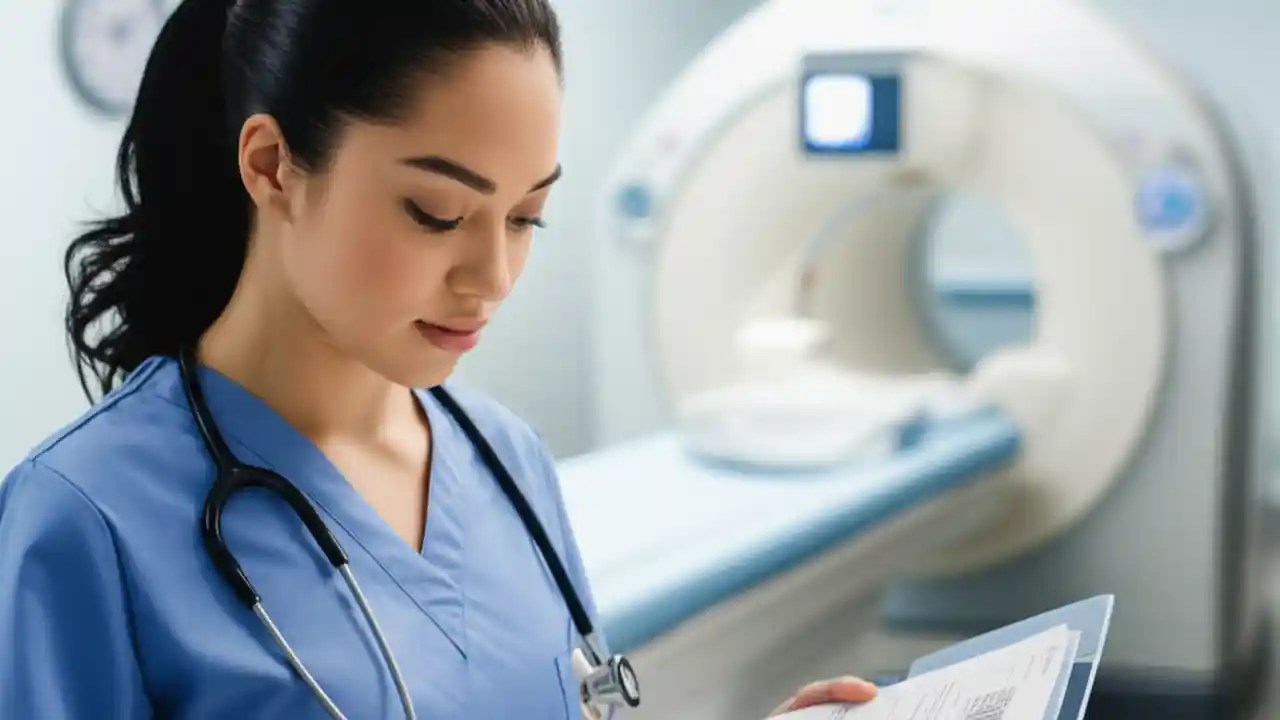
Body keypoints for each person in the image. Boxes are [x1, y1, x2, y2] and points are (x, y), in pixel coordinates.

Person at [0, 0, 879, 717]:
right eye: (436, 212)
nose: (493, 276)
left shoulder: (506, 459)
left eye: (527, 216)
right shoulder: (86, 520)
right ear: (272, 167)